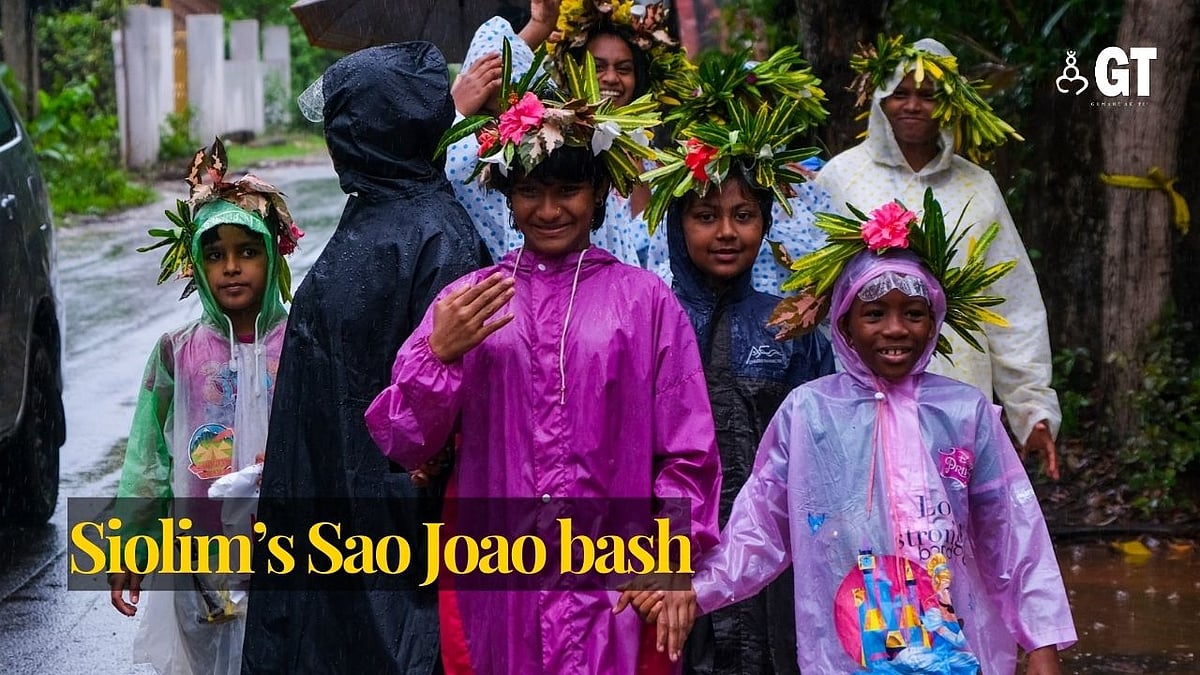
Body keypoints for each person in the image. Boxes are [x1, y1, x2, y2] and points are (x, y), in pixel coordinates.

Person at [621, 192, 1077, 673]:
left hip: (955, 640)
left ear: (934, 321)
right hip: (848, 645)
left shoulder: (966, 413)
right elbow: (761, 524)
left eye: (914, 314)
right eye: (874, 314)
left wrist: (1041, 641)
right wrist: (699, 588)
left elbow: (1011, 532)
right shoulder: (809, 412)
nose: (895, 329)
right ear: (845, 324)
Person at [364, 72, 721, 674]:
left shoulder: (645, 303)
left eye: (567, 191)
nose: (549, 210)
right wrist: (439, 355)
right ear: (508, 197)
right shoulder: (471, 302)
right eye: (531, 191)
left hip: (618, 586)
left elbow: (687, 451)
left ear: (599, 194)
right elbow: (406, 442)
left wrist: (672, 554)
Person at [241, 42, 490, 674]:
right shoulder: (395, 217)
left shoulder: (430, 232)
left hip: (389, 503)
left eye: (343, 126)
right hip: (349, 493)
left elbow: (454, 386)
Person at [815, 36, 1062, 479]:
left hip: (959, 394)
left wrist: (1031, 407)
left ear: (949, 105)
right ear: (879, 100)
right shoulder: (840, 179)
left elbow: (1011, 302)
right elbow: (814, 297)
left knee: (954, 521)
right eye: (900, 94)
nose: (912, 106)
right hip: (861, 394)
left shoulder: (977, 187)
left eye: (927, 95)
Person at [108, 138, 298, 675]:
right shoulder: (177, 352)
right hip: (200, 563)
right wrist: (131, 548)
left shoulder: (302, 343)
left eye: (248, 251)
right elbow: (148, 464)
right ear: (196, 262)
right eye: (215, 255)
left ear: (273, 255)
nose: (232, 268)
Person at [651, 124, 835, 671]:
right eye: (706, 216)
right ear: (676, 223)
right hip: (668, 552)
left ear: (766, 222)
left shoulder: (787, 326)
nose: (727, 232)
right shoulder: (652, 317)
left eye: (745, 215)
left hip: (770, 558)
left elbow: (822, 457)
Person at [445, 0, 691, 267]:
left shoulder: (653, 160)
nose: (610, 78)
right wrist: (456, 108)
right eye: (595, 67)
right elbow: (505, 74)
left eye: (623, 69)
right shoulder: (526, 154)